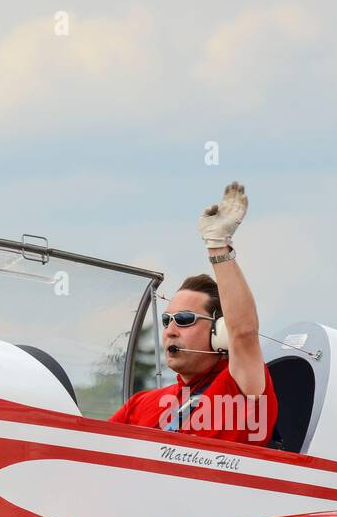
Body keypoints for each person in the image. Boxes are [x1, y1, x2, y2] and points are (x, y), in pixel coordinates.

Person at [110, 181, 278, 446]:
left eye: (185, 320)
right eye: (167, 320)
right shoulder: (141, 405)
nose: (170, 330)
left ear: (219, 332)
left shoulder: (239, 388)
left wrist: (217, 245)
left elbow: (244, 333)